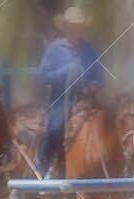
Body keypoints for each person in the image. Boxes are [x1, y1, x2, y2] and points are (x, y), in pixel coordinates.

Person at [35, 6, 104, 178]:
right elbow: (44, 76)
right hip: (61, 99)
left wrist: (94, 85)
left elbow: (99, 76)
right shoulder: (54, 49)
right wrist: (65, 73)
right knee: (55, 126)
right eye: (72, 27)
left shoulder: (90, 50)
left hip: (87, 100)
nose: (76, 30)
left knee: (106, 123)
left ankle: (104, 168)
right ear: (65, 28)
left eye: (79, 27)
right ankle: (42, 166)